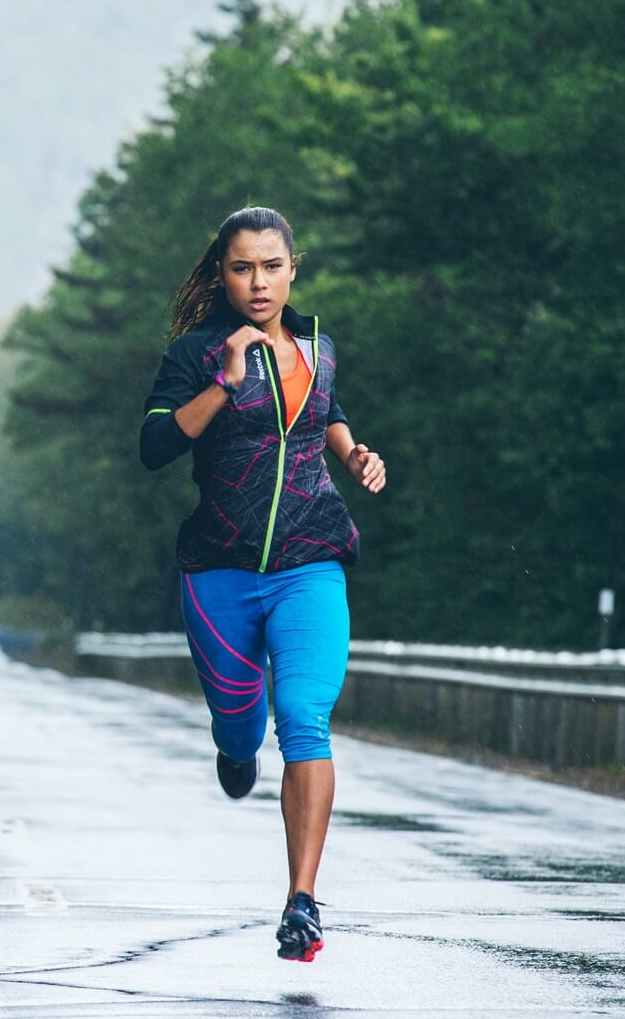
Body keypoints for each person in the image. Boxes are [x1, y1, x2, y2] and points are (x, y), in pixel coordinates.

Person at [138, 206, 385, 963]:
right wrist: (222, 382)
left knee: (303, 716)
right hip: (220, 569)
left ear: (291, 268)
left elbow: (324, 408)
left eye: (270, 267)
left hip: (312, 557)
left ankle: (301, 902)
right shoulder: (194, 353)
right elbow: (152, 447)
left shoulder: (317, 344)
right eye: (241, 267)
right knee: (241, 727)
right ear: (222, 272)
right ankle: (233, 748)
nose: (257, 282)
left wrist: (350, 451)